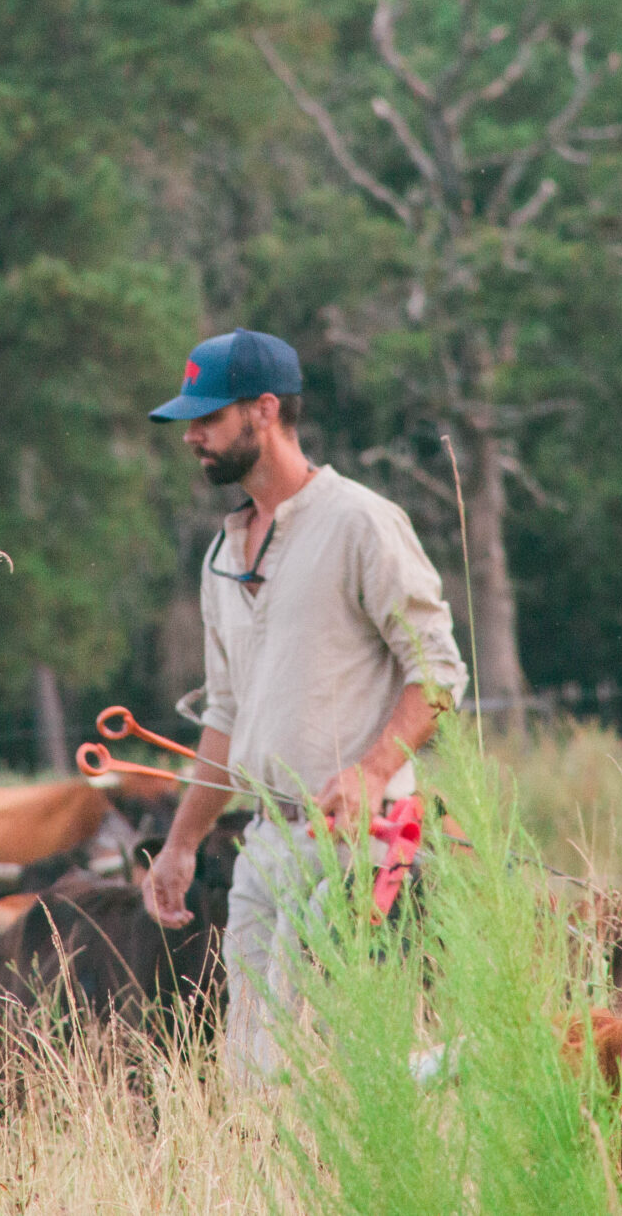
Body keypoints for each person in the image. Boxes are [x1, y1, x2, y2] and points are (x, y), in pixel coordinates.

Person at [139, 327, 468, 1080]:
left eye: (208, 417)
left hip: (360, 842)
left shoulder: (360, 521)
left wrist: (372, 769)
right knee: (252, 1079)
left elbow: (440, 674)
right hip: (263, 846)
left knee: (319, 1071)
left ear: (262, 411)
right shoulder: (221, 555)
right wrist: (184, 844)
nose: (192, 435)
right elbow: (223, 716)